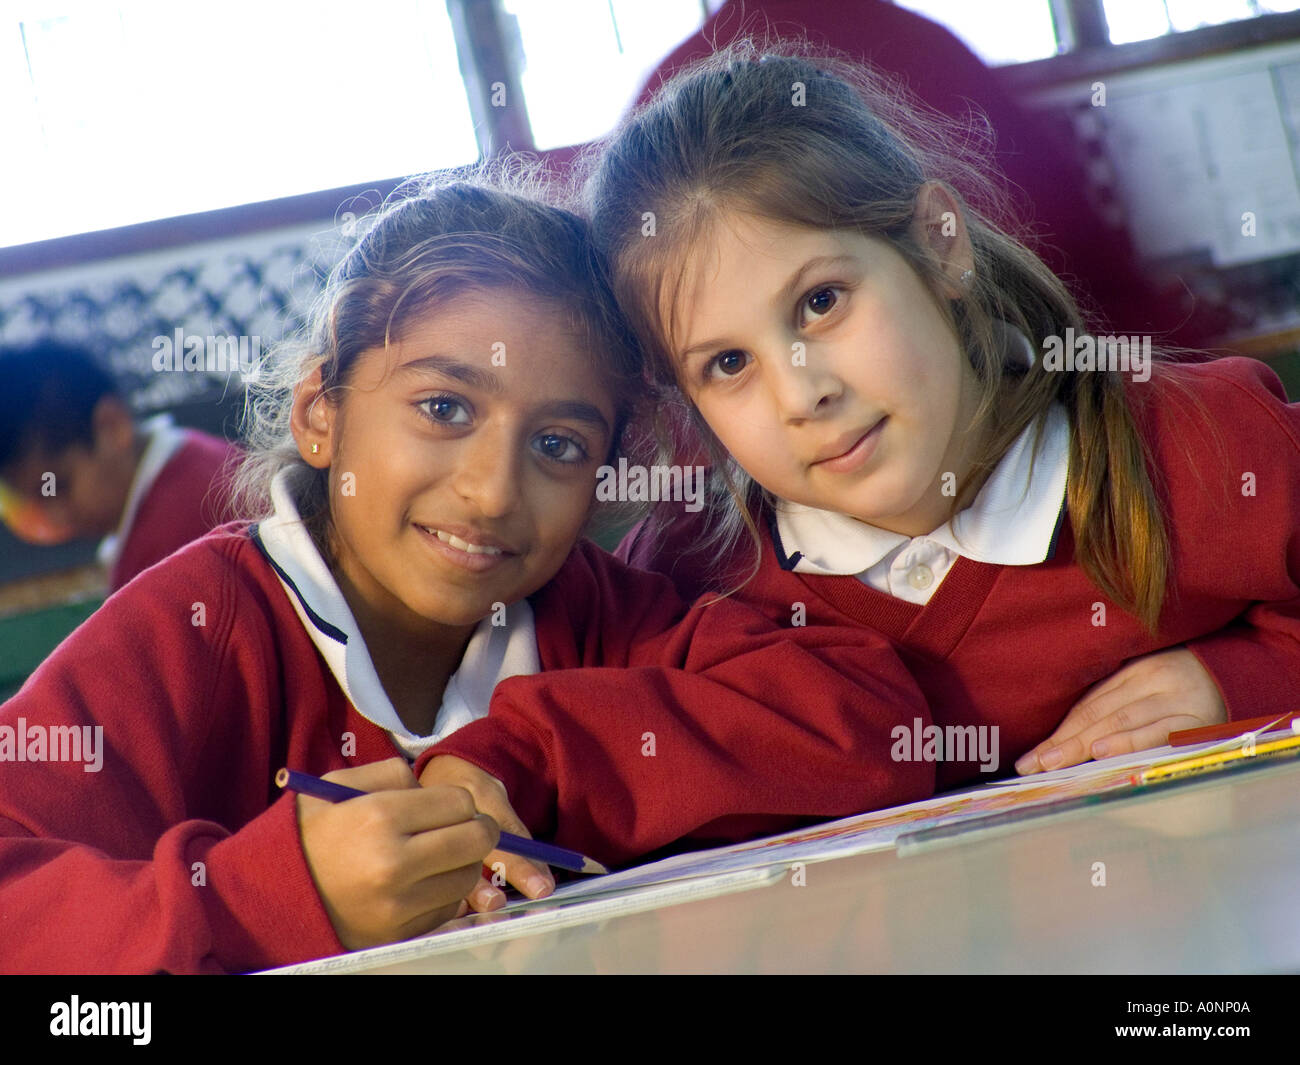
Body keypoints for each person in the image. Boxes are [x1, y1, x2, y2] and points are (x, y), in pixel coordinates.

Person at [0, 170, 930, 974]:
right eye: (444, 406)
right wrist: (269, 897)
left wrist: (537, 758)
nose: (491, 494)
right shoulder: (200, 627)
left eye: (558, 444)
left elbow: (878, 727)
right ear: (321, 413)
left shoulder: (591, 614)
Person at [422, 46, 1299, 824]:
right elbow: (544, 733)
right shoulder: (689, 581)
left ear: (940, 242)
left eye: (821, 302)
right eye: (727, 364)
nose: (803, 393)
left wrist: (1237, 681)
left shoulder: (1196, 446)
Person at [0, 341, 242, 590]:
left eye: (59, 486)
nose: (55, 516)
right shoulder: (202, 461)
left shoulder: (177, 538)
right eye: (39, 500)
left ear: (111, 426)